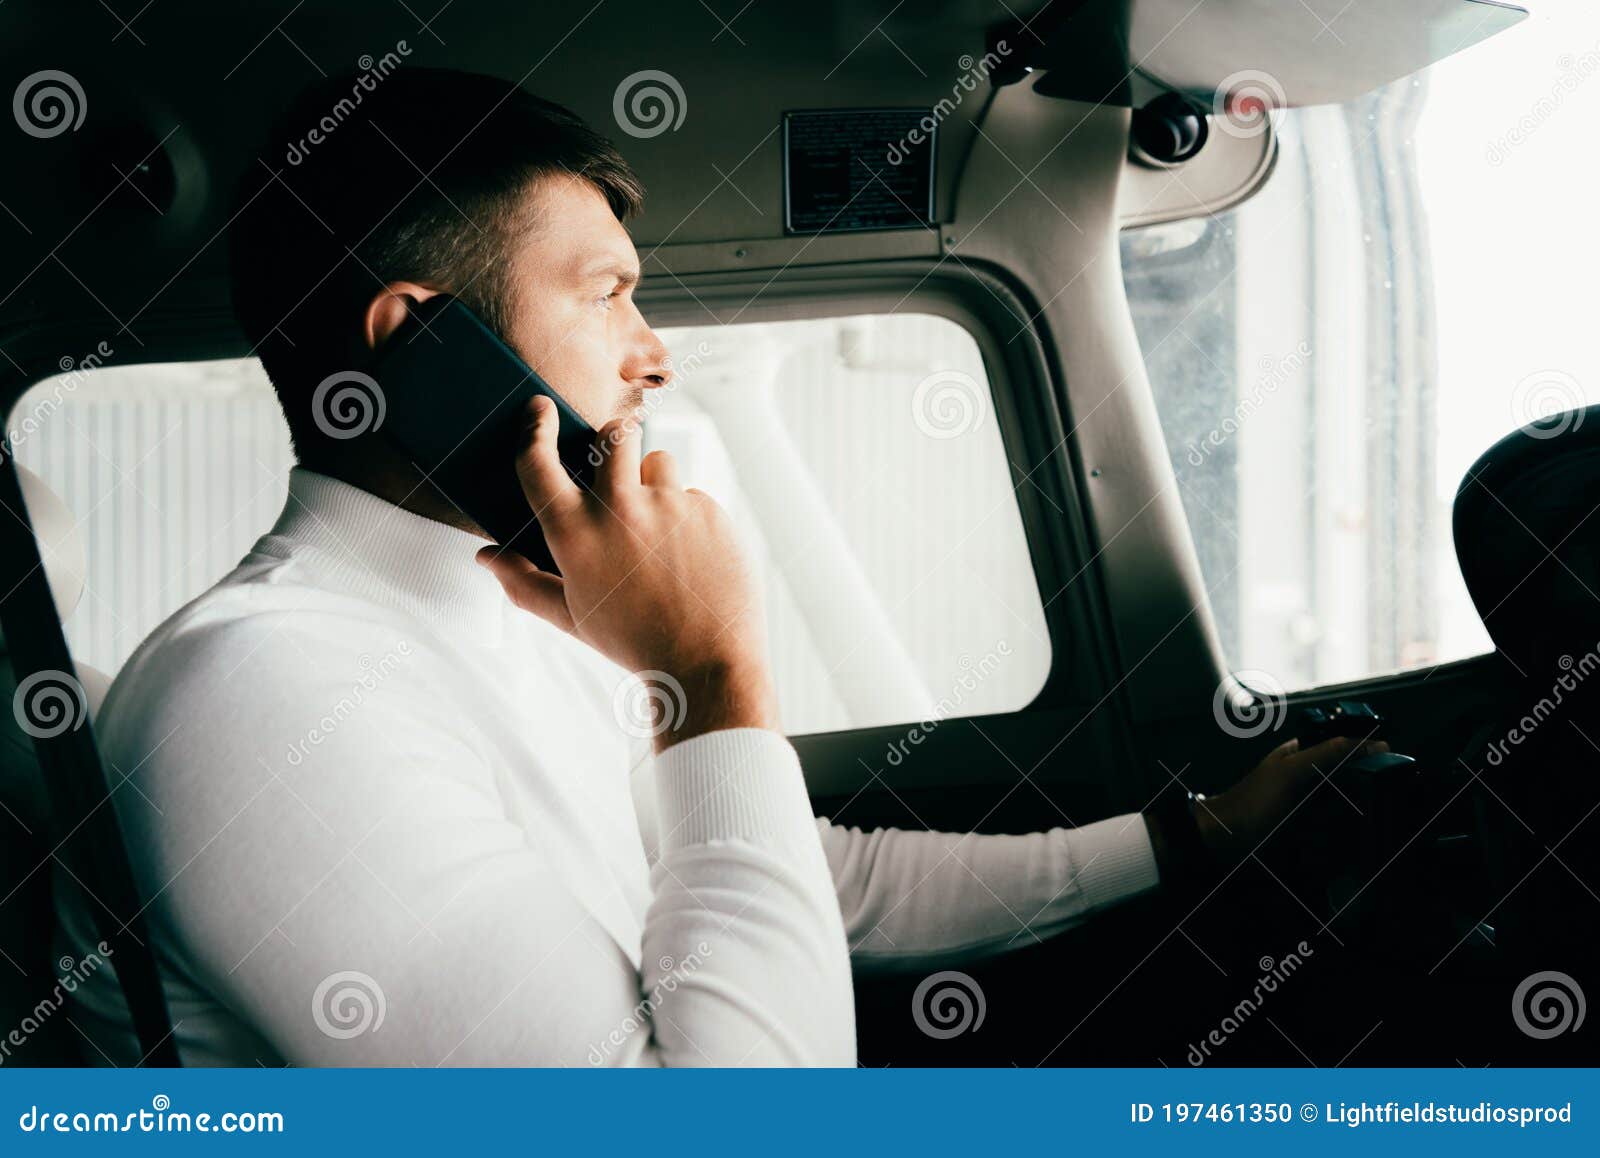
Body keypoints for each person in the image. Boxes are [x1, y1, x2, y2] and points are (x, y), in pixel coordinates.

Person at [56, 67, 1376, 1066]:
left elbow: (789, 876)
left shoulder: (495, 598)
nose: (654, 352)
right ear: (421, 342)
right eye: (606, 292)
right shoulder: (272, 695)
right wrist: (712, 664)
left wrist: (1191, 838)